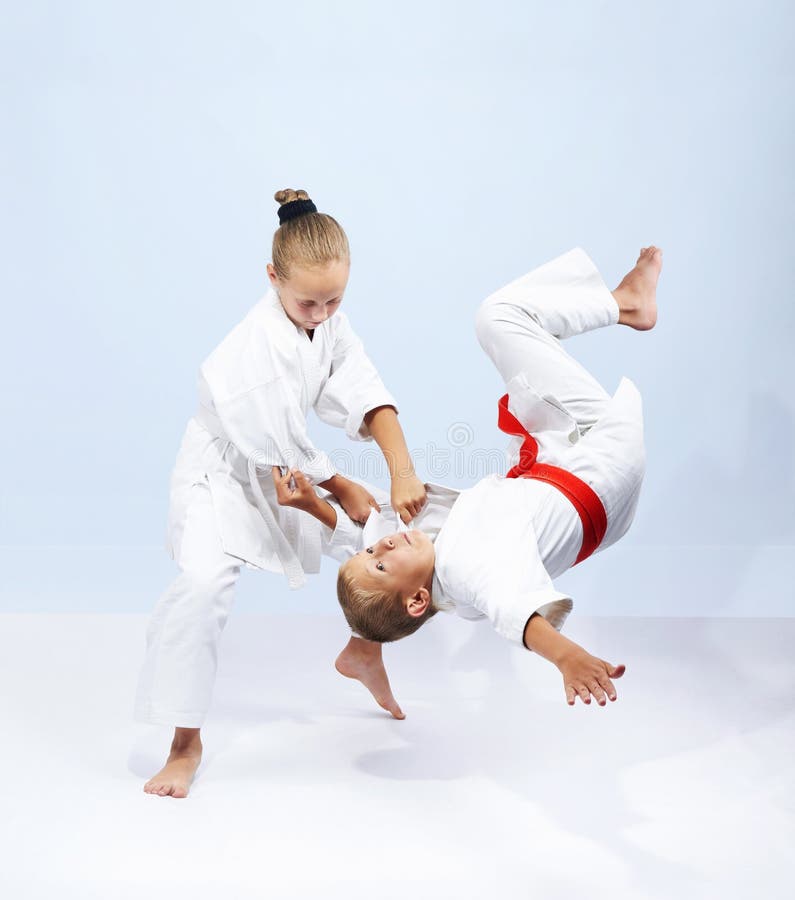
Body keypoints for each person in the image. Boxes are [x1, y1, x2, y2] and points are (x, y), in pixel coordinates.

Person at [274, 245, 662, 707]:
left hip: (557, 471)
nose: (381, 544)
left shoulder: (423, 560)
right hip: (599, 465)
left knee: (368, 530)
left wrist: (313, 502)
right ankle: (626, 304)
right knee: (498, 316)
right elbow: (518, 616)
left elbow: (366, 536)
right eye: (379, 561)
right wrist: (567, 657)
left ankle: (363, 651)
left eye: (373, 551)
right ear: (418, 601)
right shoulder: (469, 568)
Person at [136, 189, 426, 798]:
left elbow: (367, 392)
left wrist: (400, 472)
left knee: (412, 548)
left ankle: (365, 649)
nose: (321, 313)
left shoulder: (329, 324)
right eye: (307, 301)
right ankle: (184, 744)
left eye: (334, 300)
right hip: (221, 475)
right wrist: (342, 485)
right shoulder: (258, 345)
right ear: (273, 278)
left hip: (292, 470)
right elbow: (281, 444)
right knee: (204, 587)